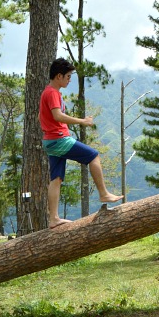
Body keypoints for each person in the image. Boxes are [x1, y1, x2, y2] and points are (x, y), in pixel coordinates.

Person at [40, 57, 123, 227]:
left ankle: (53, 219)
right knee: (93, 155)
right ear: (59, 76)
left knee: (56, 178)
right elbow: (57, 116)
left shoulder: (48, 92)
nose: (70, 80)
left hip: (51, 140)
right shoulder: (52, 93)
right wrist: (82, 121)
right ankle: (103, 193)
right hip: (59, 140)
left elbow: (43, 116)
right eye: (68, 76)